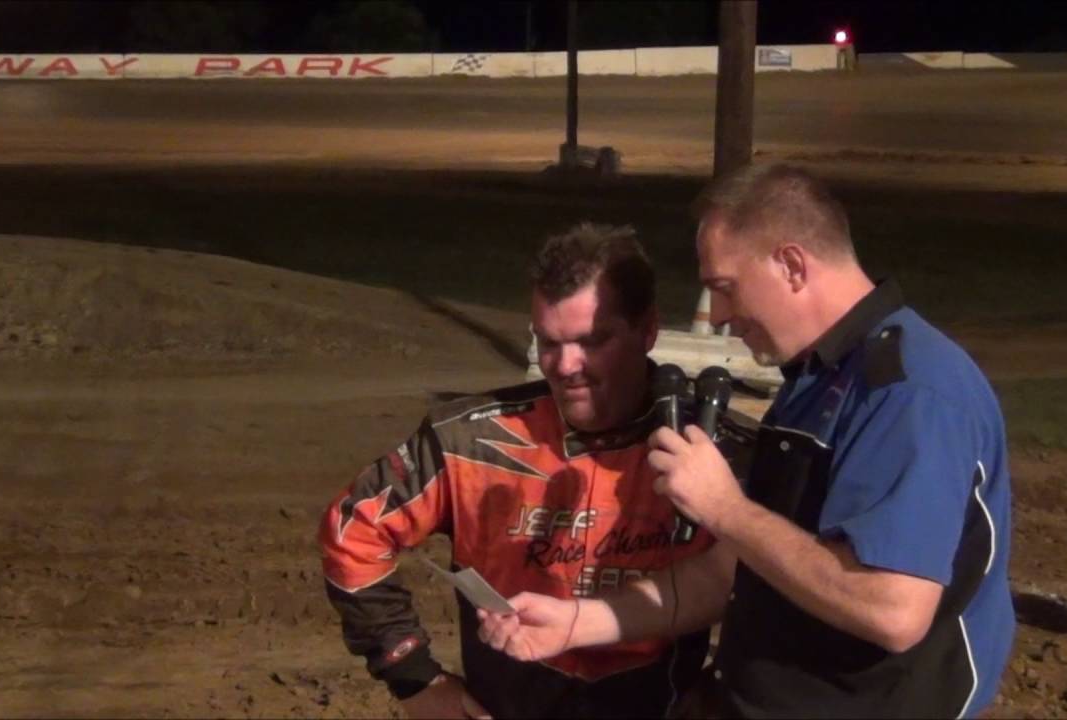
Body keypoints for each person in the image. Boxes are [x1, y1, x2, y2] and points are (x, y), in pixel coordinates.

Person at [478, 164, 1015, 718]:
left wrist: (725, 508)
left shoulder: (909, 393)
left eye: (724, 289)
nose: (721, 316)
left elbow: (892, 611)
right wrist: (574, 622)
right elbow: (731, 570)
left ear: (791, 265)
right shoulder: (816, 381)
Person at [318, 223, 755, 719]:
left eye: (593, 341)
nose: (567, 365)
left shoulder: (717, 449)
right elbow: (352, 531)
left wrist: (722, 696)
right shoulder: (472, 441)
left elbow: (797, 596)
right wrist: (415, 679)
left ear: (648, 329)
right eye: (549, 342)